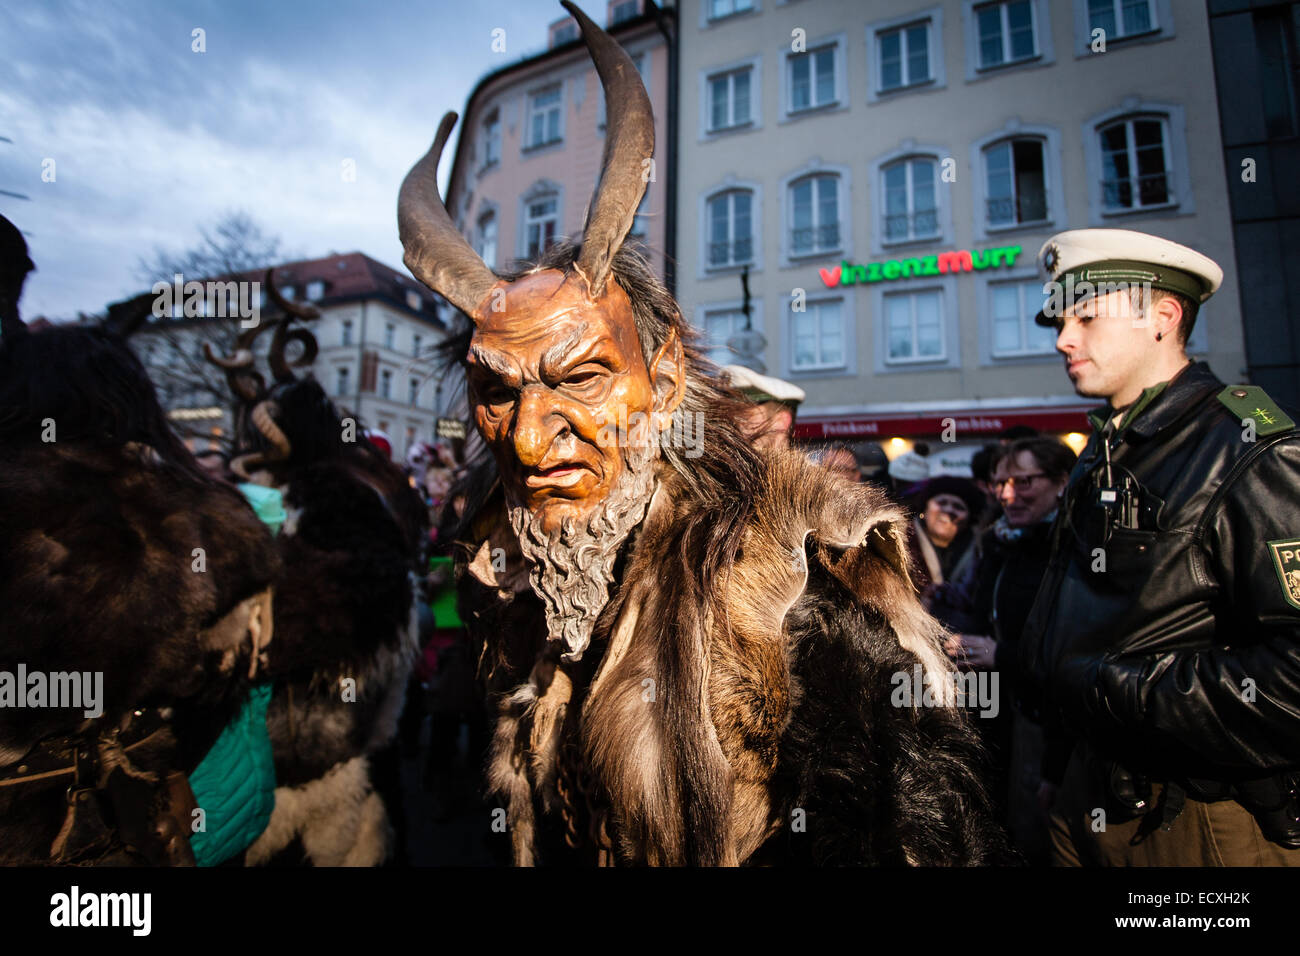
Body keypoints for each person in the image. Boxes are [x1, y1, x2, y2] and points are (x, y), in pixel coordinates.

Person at [397, 1, 1007, 866]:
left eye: (581, 377)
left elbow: (904, 827)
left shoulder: (797, 578)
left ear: (669, 381)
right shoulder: (510, 572)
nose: (530, 440)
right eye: (496, 395)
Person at [1019, 227, 1300, 865]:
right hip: (1092, 791)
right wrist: (1059, 761)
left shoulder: (1248, 447)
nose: (1065, 338)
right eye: (1062, 320)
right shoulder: (1104, 447)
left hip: (1200, 818)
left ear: (1164, 317)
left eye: (1087, 316)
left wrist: (1119, 690)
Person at [933, 437, 1076, 862]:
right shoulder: (1002, 540)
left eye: (1024, 482)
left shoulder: (1074, 548)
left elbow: (1074, 650)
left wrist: (1003, 654)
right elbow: (985, 610)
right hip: (1000, 714)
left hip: (1048, 726)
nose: (1008, 494)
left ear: (1062, 482)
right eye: (1000, 483)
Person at [905, 475, 984, 602]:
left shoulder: (981, 553)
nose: (948, 510)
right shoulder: (901, 542)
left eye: (958, 507)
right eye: (941, 503)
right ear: (925, 508)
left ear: (969, 519)